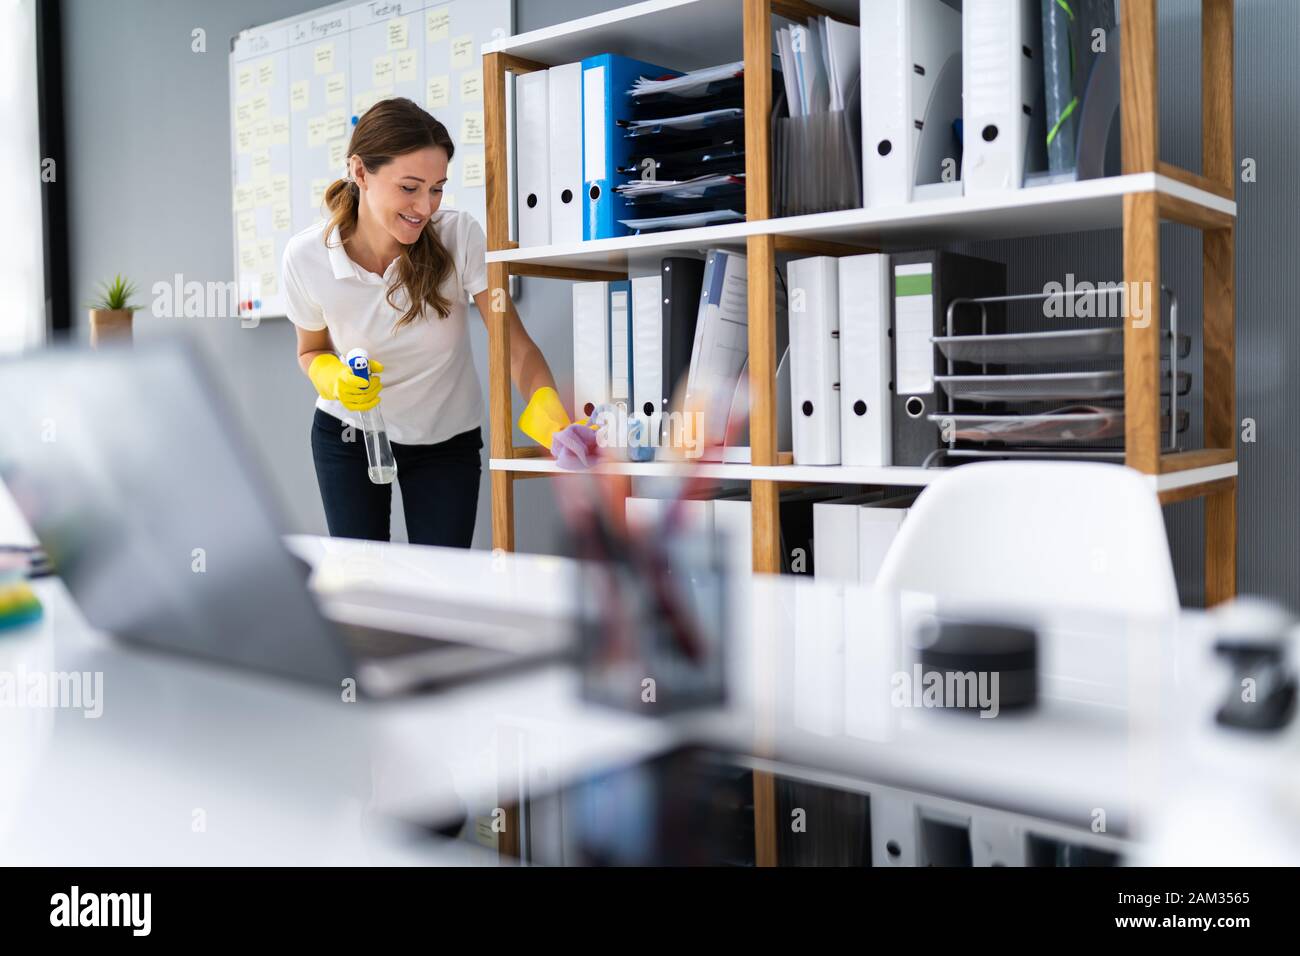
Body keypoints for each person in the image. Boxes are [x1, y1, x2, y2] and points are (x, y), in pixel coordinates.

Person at [281, 97, 594, 547]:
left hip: (445, 439)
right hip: (350, 436)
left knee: (444, 582)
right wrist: (332, 380)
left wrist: (551, 412)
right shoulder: (307, 256)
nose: (425, 207)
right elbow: (310, 350)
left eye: (437, 188)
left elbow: (514, 345)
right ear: (360, 172)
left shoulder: (458, 235)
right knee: (366, 584)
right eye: (409, 187)